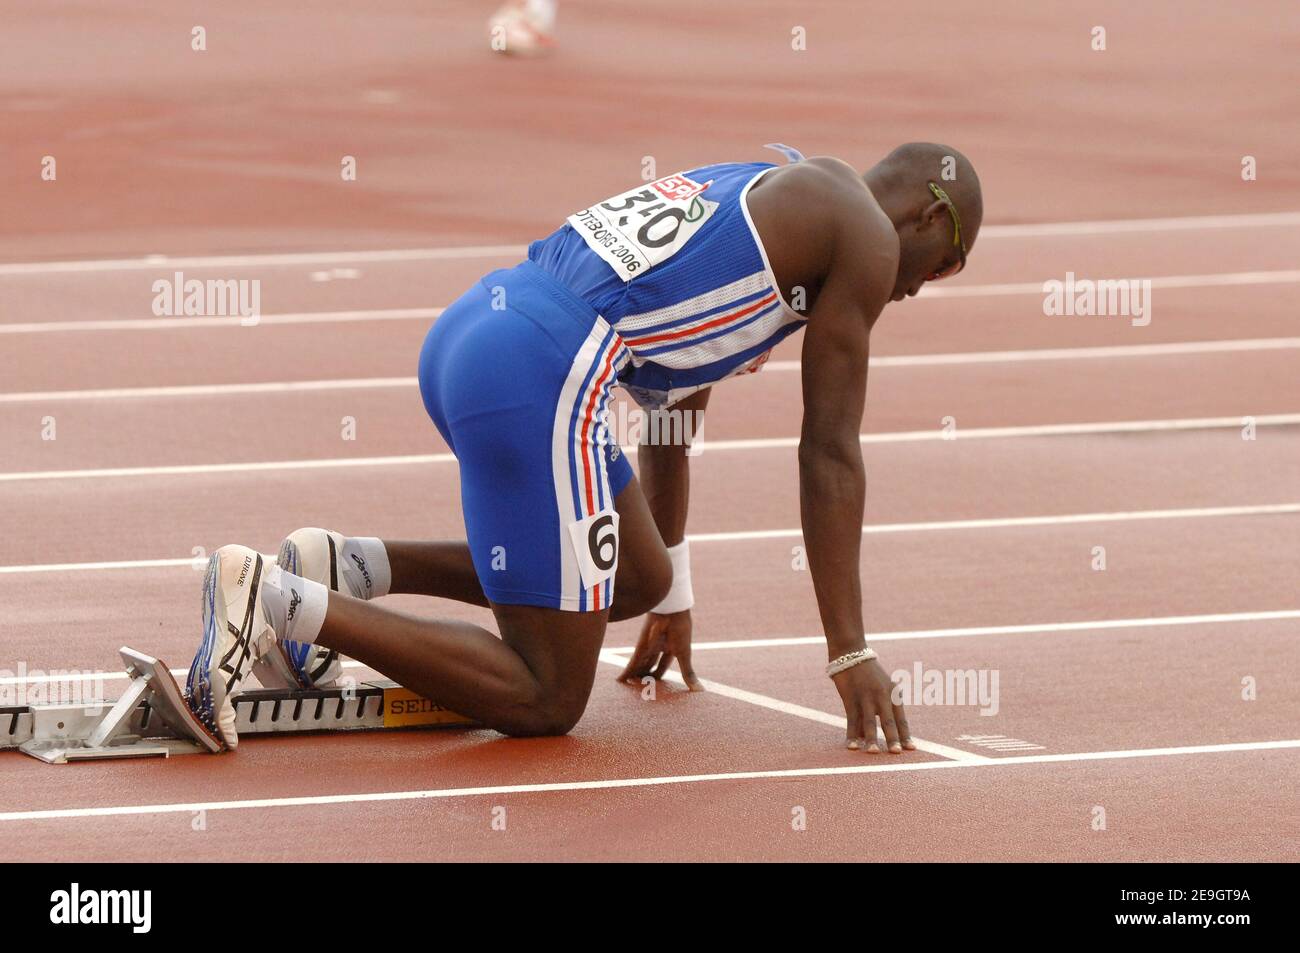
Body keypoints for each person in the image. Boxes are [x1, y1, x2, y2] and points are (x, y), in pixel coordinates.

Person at [186, 141, 982, 754]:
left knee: (636, 572)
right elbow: (830, 452)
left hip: (482, 329)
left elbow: (675, 411)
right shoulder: (869, 240)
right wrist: (851, 652)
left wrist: (672, 595)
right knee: (548, 696)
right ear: (924, 217)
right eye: (940, 268)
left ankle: (343, 565)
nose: (912, 290)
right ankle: (274, 599)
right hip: (545, 367)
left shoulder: (785, 196)